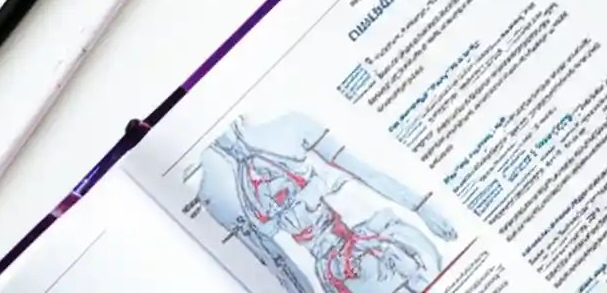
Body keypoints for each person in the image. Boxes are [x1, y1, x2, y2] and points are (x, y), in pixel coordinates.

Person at [196, 112, 458, 293]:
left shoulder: (291, 127)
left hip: (361, 240)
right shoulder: (214, 193)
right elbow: (275, 260)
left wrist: (422, 207)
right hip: (340, 261)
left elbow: (364, 171)